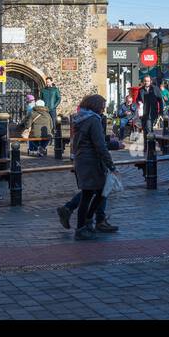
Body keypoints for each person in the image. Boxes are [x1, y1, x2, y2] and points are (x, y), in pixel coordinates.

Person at [69, 94, 116, 240]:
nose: (103, 108)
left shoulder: (80, 119)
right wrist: (111, 165)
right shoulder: (93, 120)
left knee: (90, 193)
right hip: (92, 161)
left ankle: (86, 223)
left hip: (82, 160)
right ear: (95, 105)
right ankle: (82, 226)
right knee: (95, 193)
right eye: (102, 105)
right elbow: (100, 145)